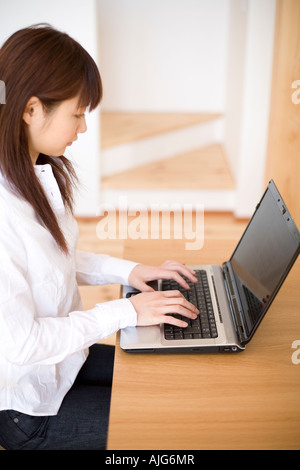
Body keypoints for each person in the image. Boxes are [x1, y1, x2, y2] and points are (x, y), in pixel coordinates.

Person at [0, 24, 199, 450]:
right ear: (31, 109)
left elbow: (54, 258)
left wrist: (132, 271)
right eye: (77, 113)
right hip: (28, 409)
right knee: (168, 432)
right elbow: (24, 345)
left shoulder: (29, 173)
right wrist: (126, 310)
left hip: (66, 362)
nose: (83, 127)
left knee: (171, 381)